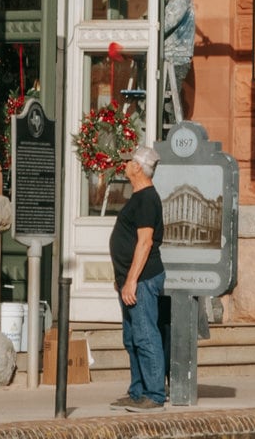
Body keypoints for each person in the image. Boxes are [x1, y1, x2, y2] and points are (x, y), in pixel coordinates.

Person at [108, 146, 165, 412]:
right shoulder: (139, 197)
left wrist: (131, 280)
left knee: (145, 336)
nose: (126, 165)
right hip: (130, 280)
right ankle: (137, 392)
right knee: (132, 338)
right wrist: (121, 277)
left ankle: (154, 395)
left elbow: (144, 243)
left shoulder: (147, 199)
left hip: (142, 279)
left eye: (130, 161)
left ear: (139, 167)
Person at [159, 0, 194, 124]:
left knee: (170, 102)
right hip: (172, 56)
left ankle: (173, 138)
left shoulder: (180, 0)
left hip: (175, 57)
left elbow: (165, 24)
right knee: (167, 100)